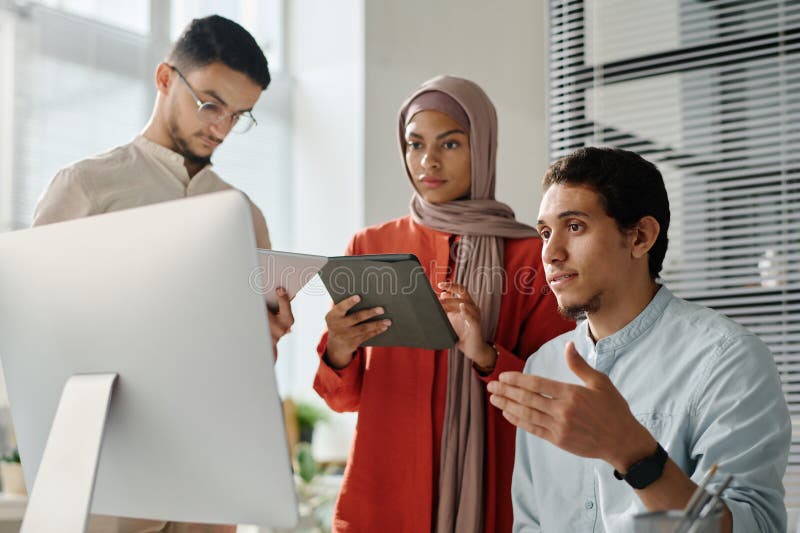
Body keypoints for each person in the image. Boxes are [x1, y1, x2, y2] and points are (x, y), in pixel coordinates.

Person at [32, 15, 293, 533]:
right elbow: (32, 330)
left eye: (239, 115)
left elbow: (252, 361)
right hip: (113, 464)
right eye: (211, 104)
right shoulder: (88, 187)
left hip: (213, 471)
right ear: (165, 78)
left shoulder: (244, 213)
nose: (220, 127)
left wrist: (266, 334)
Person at [313, 75, 574, 532]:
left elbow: (553, 394)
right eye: (415, 144)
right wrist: (339, 346)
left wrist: (484, 354)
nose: (427, 161)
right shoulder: (372, 244)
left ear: (483, 146)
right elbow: (343, 398)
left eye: (450, 144)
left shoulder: (531, 255)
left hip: (491, 492)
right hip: (382, 496)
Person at [487, 147, 791, 532]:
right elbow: (530, 523)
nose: (550, 252)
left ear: (640, 237)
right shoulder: (544, 367)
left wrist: (633, 453)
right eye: (545, 232)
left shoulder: (728, 359)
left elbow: (754, 527)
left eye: (575, 226)